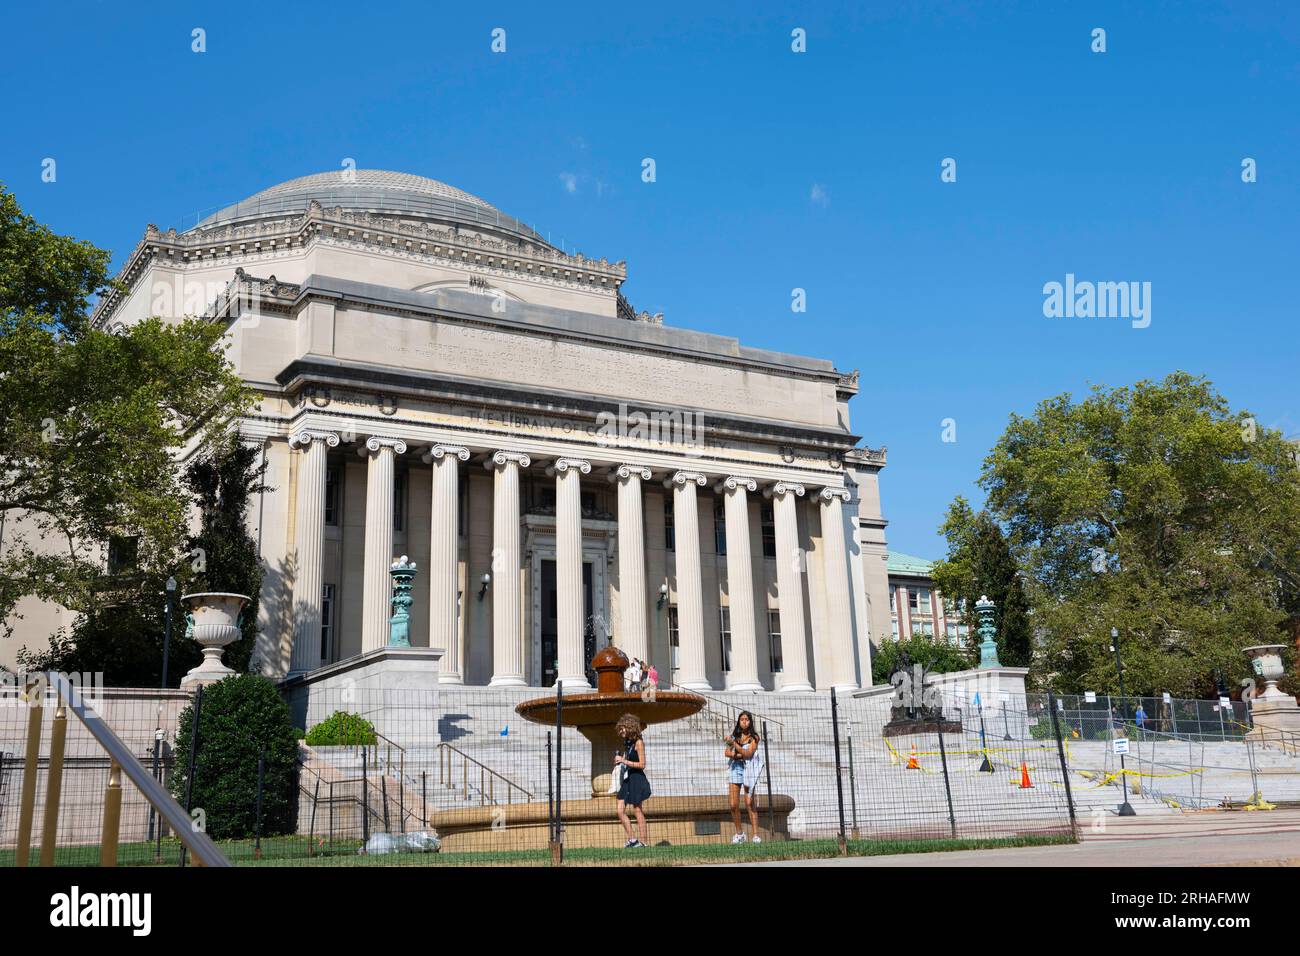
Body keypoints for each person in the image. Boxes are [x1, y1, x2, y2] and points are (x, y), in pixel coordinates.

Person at [723, 711, 762, 844]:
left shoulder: (754, 737)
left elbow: (749, 753)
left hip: (748, 769)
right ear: (739, 722)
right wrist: (738, 753)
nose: (744, 721)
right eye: (742, 719)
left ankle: (756, 835)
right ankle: (739, 834)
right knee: (733, 805)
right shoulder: (735, 736)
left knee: (749, 803)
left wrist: (734, 745)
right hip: (735, 768)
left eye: (746, 719)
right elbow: (727, 753)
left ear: (750, 722)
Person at [614, 713, 651, 847]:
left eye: (622, 728)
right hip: (628, 778)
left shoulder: (639, 743)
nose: (620, 731)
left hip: (637, 778)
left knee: (637, 809)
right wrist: (621, 762)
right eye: (620, 729)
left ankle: (644, 842)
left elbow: (642, 764)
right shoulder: (628, 743)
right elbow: (628, 761)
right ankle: (632, 839)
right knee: (619, 810)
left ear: (630, 727)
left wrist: (624, 760)